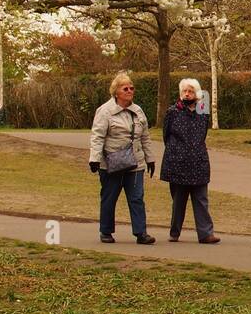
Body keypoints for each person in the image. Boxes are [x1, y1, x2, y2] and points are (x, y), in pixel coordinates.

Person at [88, 72, 156, 244]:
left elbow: (145, 137)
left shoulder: (138, 110)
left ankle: (141, 233)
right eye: (125, 88)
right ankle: (106, 231)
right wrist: (94, 158)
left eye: (131, 88)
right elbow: (97, 136)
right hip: (112, 163)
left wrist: (150, 159)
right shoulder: (105, 111)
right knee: (109, 197)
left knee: (137, 198)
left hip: (136, 163)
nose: (129, 91)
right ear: (116, 92)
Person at [161, 78, 220, 244]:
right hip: (178, 161)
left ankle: (205, 234)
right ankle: (175, 232)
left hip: (198, 161)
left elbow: (205, 100)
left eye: (191, 91)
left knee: (201, 199)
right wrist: (176, 151)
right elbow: (166, 136)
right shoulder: (173, 111)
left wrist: (200, 96)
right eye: (184, 91)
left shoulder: (202, 110)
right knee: (178, 199)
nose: (187, 94)